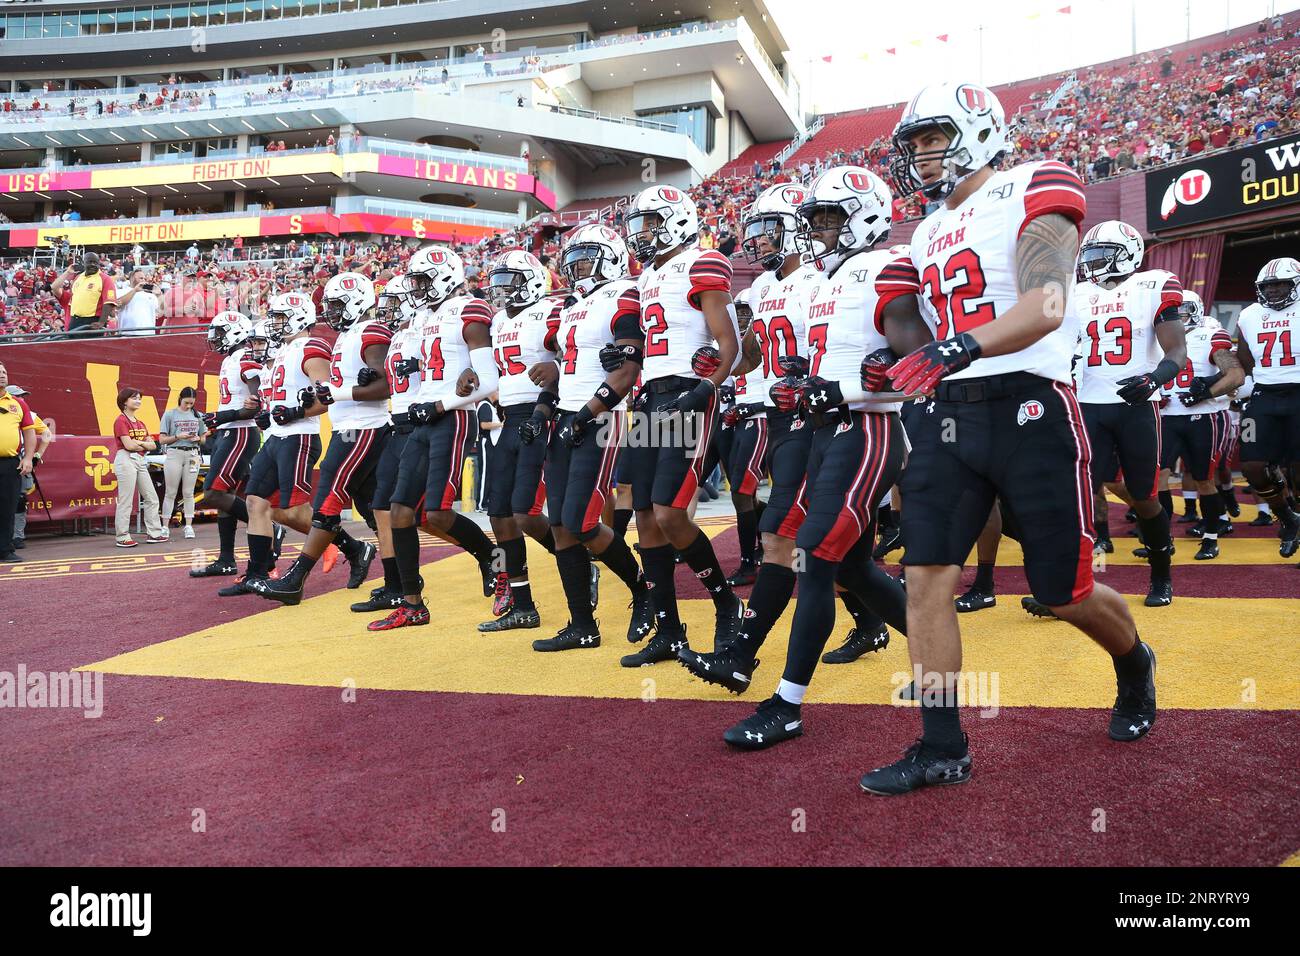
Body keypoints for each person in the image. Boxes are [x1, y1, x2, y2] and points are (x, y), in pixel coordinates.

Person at [857, 81, 1154, 797]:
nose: (924, 156)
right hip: (949, 414)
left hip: (1031, 405)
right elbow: (911, 324)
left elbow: (1047, 303)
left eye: (936, 138)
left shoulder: (1034, 183)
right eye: (916, 145)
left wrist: (959, 346)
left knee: (1062, 592)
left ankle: (1134, 660)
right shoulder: (923, 231)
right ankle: (941, 744)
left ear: (982, 132)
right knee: (926, 578)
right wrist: (899, 354)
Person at [618, 184, 744, 666]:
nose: (642, 233)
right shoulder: (648, 275)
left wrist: (703, 391)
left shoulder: (702, 261)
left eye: (650, 222)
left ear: (675, 220)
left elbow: (726, 343)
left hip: (688, 393)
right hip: (650, 396)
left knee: (672, 513)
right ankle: (669, 630)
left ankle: (726, 602)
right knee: (644, 514)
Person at [525, 223, 653, 651]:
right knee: (560, 524)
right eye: (574, 257)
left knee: (581, 522)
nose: (578, 265)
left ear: (611, 256)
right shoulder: (572, 304)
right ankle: (582, 624)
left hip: (600, 417)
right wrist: (550, 408)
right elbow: (572, 366)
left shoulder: (624, 295)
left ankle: (643, 590)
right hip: (566, 414)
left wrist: (586, 414)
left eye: (588, 256)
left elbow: (628, 369)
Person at [369, 247, 502, 631]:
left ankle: (493, 559)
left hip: (453, 419)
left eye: (424, 279)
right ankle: (413, 604)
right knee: (400, 512)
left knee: (440, 514)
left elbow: (488, 380)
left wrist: (442, 403)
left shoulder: (470, 309)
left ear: (444, 276)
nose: (419, 288)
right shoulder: (426, 317)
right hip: (425, 420)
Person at [255, 272, 387, 605]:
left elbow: (371, 387)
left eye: (337, 304)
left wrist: (299, 413)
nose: (330, 311)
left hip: (362, 427)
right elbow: (329, 394)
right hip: (349, 427)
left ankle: (295, 578)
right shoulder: (344, 337)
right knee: (376, 512)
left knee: (332, 505)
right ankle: (397, 579)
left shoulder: (357, 334)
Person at [470, 249, 563, 631]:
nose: (504, 291)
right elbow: (492, 371)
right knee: (499, 514)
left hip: (543, 413)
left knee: (525, 512)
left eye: (511, 283)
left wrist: (555, 367)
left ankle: (576, 561)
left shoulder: (553, 310)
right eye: (499, 284)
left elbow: (573, 357)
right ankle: (523, 605)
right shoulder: (495, 322)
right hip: (509, 417)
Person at [1159, 292, 1244, 561]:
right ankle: (1162, 538)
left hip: (1203, 417)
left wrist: (1206, 392)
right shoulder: (1155, 336)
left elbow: (1236, 375)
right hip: (1167, 416)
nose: (1178, 316)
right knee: (1158, 478)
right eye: (1174, 311)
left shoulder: (1209, 333)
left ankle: (1210, 537)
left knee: (1204, 479)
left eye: (1183, 310)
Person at [1234, 257, 1300, 559]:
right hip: (1264, 393)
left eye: (1280, 284)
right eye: (1268, 285)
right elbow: (1246, 360)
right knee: (1251, 466)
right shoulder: (1248, 315)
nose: (1273, 290)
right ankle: (1287, 517)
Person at [190, 312, 265, 577]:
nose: (216, 339)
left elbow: (257, 402)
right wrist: (219, 418)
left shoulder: (245, 358)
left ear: (235, 331)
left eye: (221, 333)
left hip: (240, 433)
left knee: (213, 494)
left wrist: (220, 417)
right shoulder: (232, 359)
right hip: (229, 432)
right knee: (225, 497)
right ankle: (226, 559)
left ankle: (269, 527)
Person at [112, 387, 166, 548]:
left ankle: (154, 533)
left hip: (140, 460)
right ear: (124, 402)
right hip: (125, 459)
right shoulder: (120, 420)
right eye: (134, 398)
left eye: (139, 398)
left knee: (151, 497)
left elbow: (152, 445)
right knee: (126, 500)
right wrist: (144, 444)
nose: (138, 400)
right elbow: (128, 445)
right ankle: (122, 536)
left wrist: (141, 443)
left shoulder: (140, 422)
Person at [5, 383, 52, 552]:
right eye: (18, 396)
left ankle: (17, 536)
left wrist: (36, 456)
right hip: (7, 457)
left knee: (19, 499)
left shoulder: (30, 414)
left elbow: (47, 433)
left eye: (23, 396)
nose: (22, 399)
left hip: (21, 459)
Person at [0, 364, 38, 562]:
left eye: (4, 372)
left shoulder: (18, 403)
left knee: (8, 507)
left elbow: (29, 432)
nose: (2, 375)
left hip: (9, 463)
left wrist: (28, 458)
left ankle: (5, 550)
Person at [158, 386, 206, 540]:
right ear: (180, 399)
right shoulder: (170, 414)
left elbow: (204, 438)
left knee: (188, 492)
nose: (189, 406)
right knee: (170, 492)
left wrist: (198, 438)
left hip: (192, 454)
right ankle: (164, 526)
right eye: (186, 403)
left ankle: (189, 525)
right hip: (174, 452)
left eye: (191, 403)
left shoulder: (198, 415)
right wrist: (178, 436)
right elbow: (162, 439)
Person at [51, 252, 116, 333]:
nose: (93, 264)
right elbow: (55, 288)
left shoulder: (106, 279)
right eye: (90, 262)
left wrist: (101, 322)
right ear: (84, 263)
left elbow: (109, 302)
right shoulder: (78, 278)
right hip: (74, 321)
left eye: (95, 262)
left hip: (92, 322)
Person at [115, 268, 161, 336]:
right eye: (141, 278)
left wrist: (159, 295)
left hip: (149, 333)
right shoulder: (121, 291)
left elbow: (162, 311)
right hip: (127, 333)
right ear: (132, 279)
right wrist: (135, 290)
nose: (144, 281)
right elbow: (118, 304)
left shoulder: (150, 295)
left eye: (144, 279)